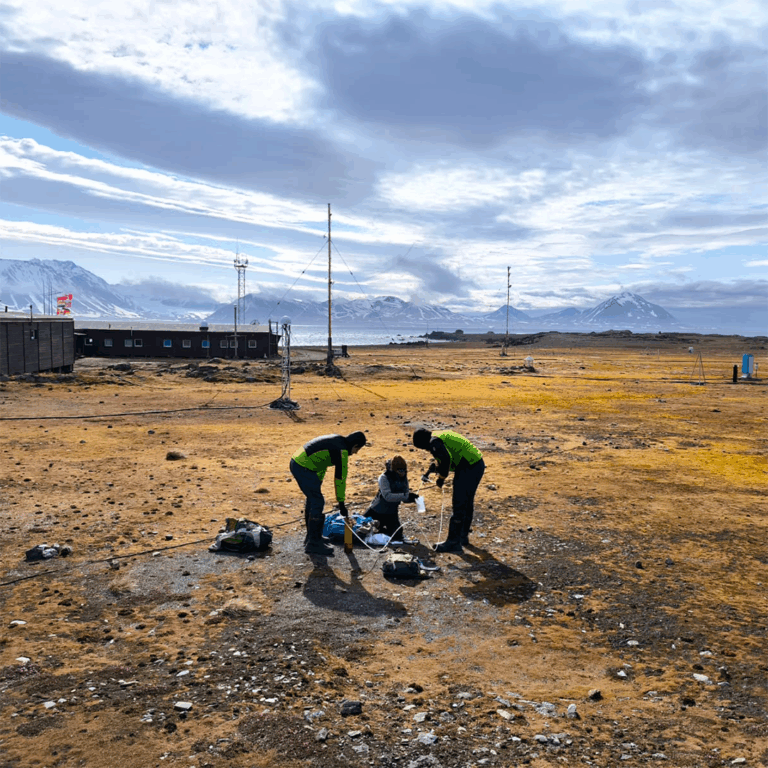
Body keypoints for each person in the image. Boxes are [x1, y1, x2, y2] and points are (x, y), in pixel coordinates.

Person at [290, 431, 367, 556]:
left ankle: (312, 537)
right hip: (302, 466)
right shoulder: (342, 451)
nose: (356, 453)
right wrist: (341, 504)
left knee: (313, 499)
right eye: (357, 449)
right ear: (355, 445)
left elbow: (321, 462)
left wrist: (317, 483)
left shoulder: (337, 441)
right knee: (317, 501)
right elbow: (340, 479)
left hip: (300, 462)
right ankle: (313, 544)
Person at [412, 428, 485, 552]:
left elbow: (445, 461)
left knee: (460, 502)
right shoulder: (437, 436)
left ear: (424, 442)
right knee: (467, 502)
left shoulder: (434, 442)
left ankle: (453, 542)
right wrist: (437, 468)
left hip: (469, 467)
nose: (427, 450)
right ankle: (462, 537)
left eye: (424, 448)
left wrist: (441, 478)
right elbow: (450, 458)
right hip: (476, 464)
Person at [366, 455, 419, 541]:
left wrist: (411, 498)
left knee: (397, 535)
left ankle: (381, 530)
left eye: (404, 470)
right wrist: (405, 496)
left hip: (391, 513)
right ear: (393, 469)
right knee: (360, 529)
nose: (402, 473)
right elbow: (387, 496)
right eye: (400, 470)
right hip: (377, 510)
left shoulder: (404, 477)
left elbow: (404, 497)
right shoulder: (383, 478)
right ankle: (378, 526)